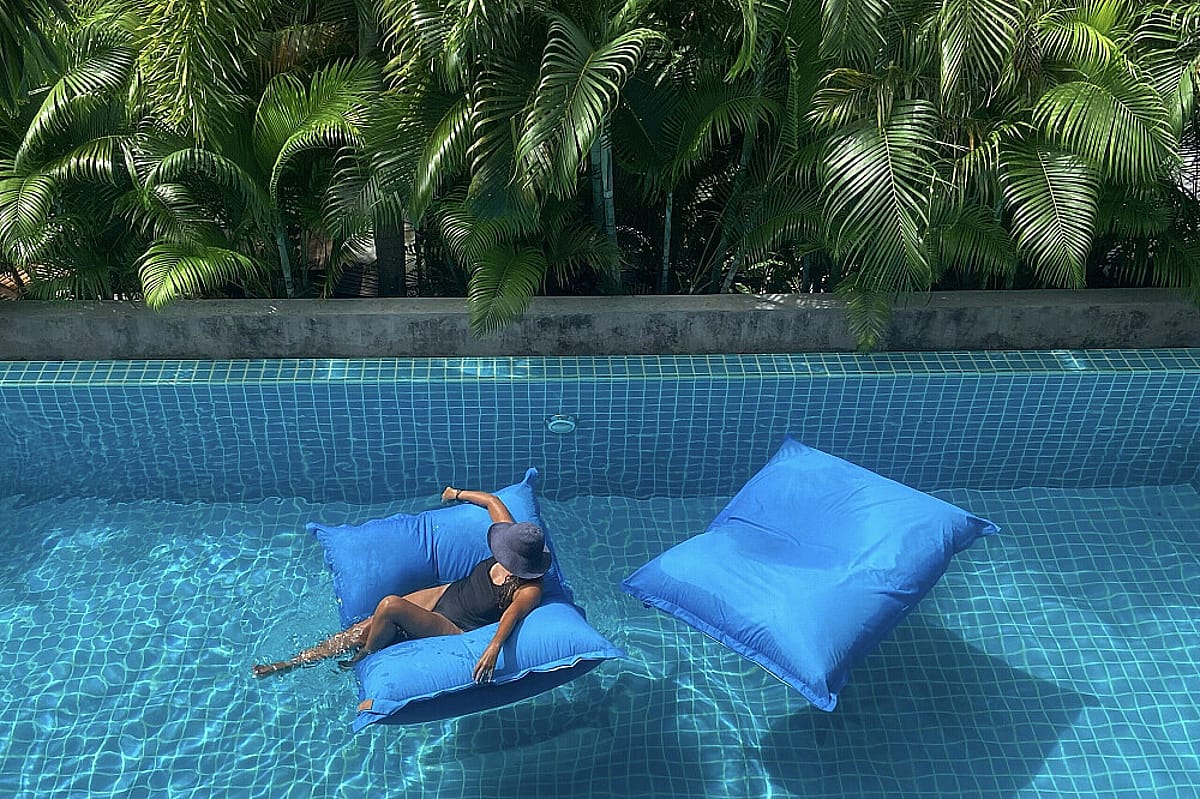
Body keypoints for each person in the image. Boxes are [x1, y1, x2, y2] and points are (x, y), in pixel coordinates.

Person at [251, 486, 550, 683]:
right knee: (360, 628)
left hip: (453, 625)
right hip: (443, 594)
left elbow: (513, 615)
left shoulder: (529, 590)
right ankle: (290, 663)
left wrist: (494, 647)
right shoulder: (512, 536)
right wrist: (455, 493)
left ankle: (364, 657)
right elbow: (492, 501)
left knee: (390, 606)